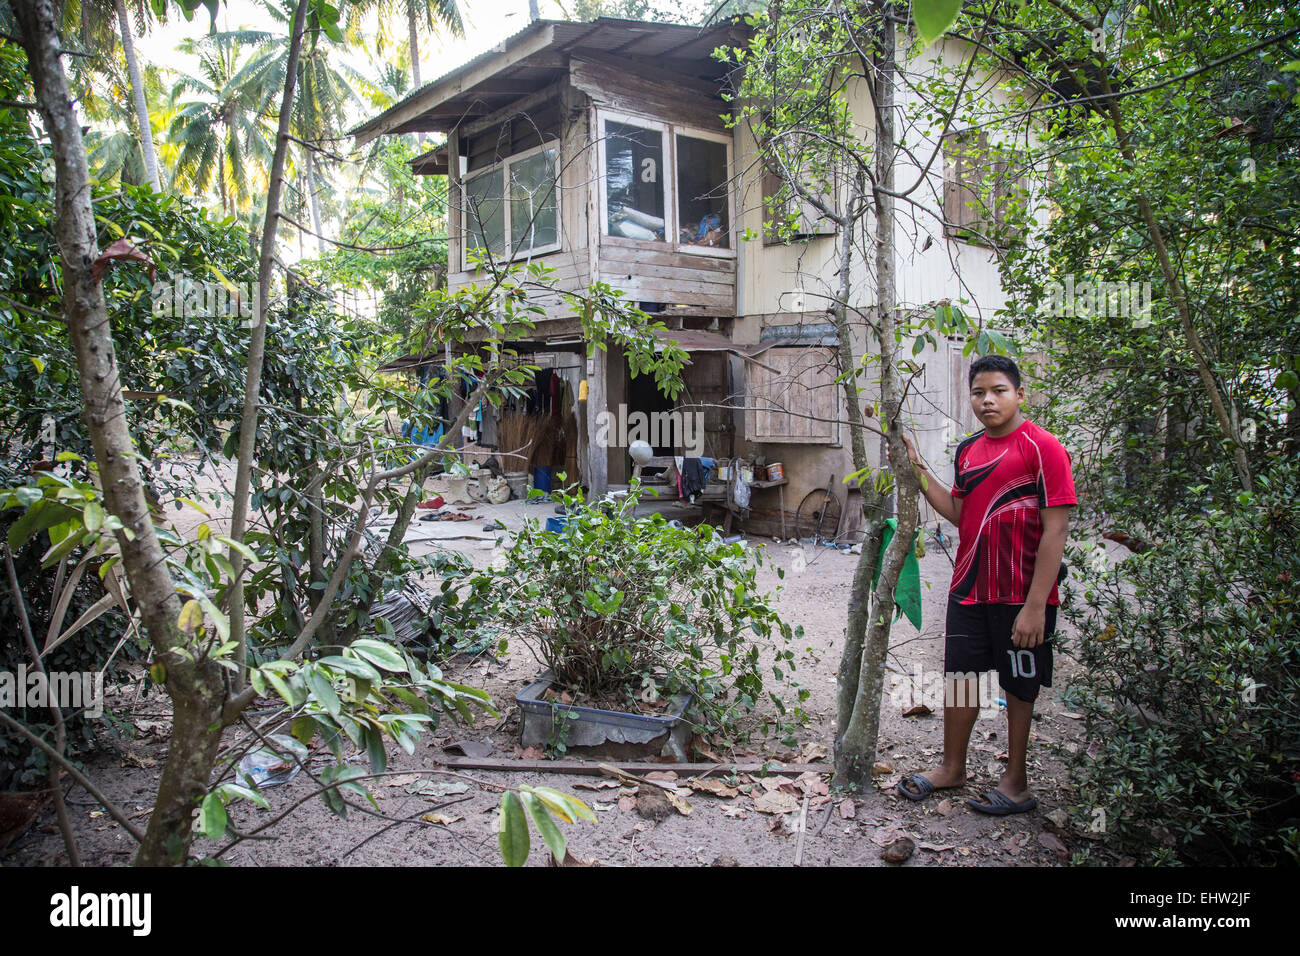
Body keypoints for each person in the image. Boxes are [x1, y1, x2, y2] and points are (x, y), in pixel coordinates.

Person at [892, 355, 1076, 815]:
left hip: (1023, 594)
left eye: (998, 390)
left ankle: (1016, 782)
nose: (988, 400)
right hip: (970, 586)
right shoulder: (968, 450)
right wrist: (916, 468)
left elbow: (1056, 531)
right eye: (979, 392)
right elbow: (958, 513)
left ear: (1019, 394)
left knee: (1019, 683)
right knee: (963, 678)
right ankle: (952, 768)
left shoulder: (1044, 448)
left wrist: (1036, 606)